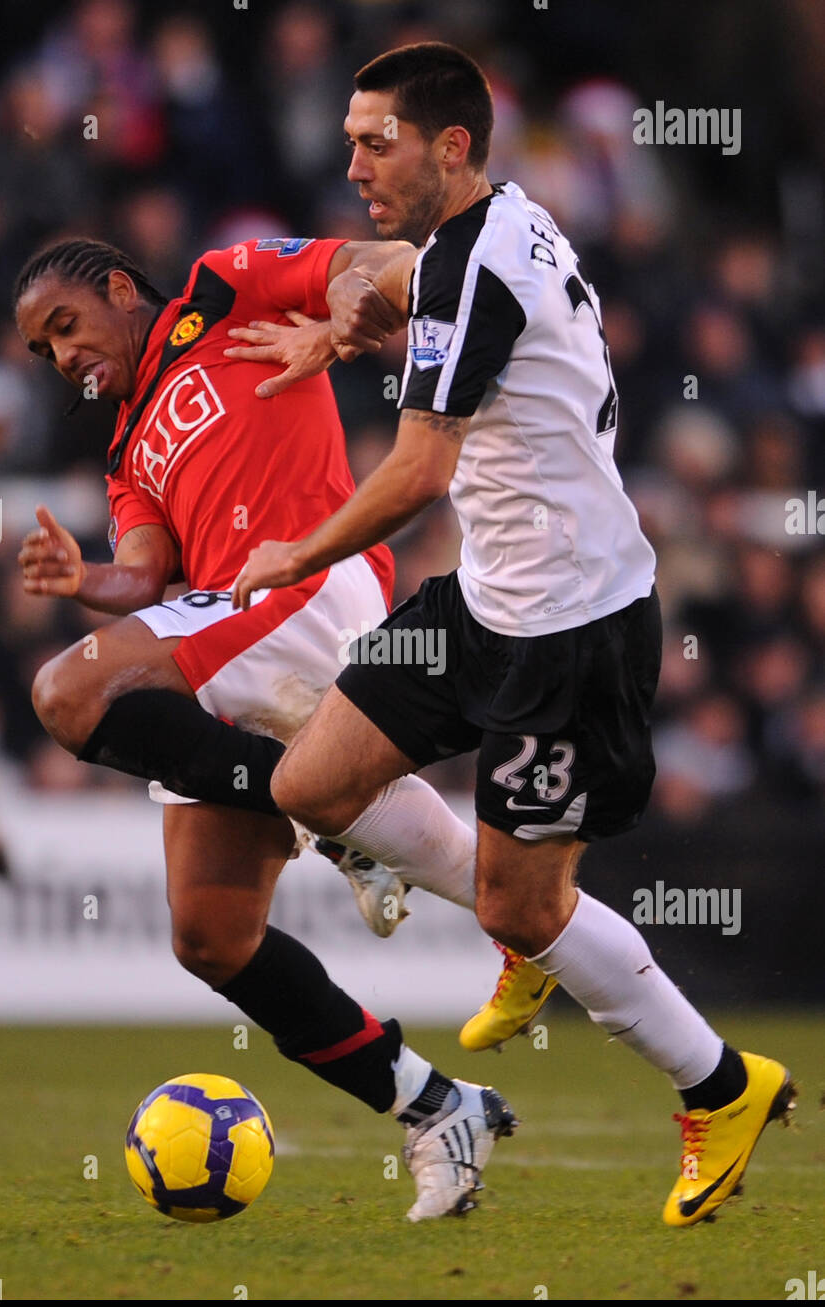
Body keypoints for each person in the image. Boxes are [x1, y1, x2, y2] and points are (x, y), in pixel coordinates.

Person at [226, 42, 795, 1228]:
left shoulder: (478, 265)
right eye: (347, 137)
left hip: (570, 628)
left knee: (521, 904)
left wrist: (299, 550)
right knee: (313, 779)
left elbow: (419, 469)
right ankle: (527, 930)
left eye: (374, 140)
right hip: (489, 597)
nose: (351, 161)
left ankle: (722, 1085)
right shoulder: (492, 224)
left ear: (449, 147)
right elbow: (394, 271)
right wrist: (337, 329)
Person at [13, 233, 517, 1220]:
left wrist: (346, 311)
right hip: (224, 641)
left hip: (304, 586)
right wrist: (86, 583)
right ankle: (438, 1105)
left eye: (64, 327)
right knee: (211, 937)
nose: (62, 357)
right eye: (42, 351)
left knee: (65, 695)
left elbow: (368, 259)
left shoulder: (220, 288)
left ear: (119, 289)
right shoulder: (124, 444)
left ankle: (322, 806)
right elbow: (148, 575)